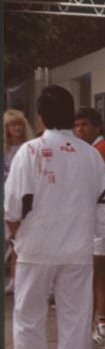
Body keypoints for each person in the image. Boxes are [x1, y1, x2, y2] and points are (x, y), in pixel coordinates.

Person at [5, 85, 105, 349]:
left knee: (28, 316)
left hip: (35, 249)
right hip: (77, 250)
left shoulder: (30, 151)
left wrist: (15, 238)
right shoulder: (90, 154)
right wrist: (99, 239)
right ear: (72, 116)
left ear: (39, 117)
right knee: (76, 317)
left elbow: (12, 204)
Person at [73, 106, 105, 349]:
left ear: (98, 127)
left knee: (98, 274)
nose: (79, 129)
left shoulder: (101, 150)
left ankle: (102, 331)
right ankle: (101, 327)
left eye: (84, 124)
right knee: (97, 275)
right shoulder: (95, 150)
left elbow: (90, 187)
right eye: (76, 125)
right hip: (101, 220)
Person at [4, 108, 34, 295]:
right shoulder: (5, 149)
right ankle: (14, 280)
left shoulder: (30, 147)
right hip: (6, 198)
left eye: (19, 124)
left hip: (25, 200)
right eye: (12, 125)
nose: (16, 128)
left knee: (20, 243)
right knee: (11, 242)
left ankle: (20, 281)